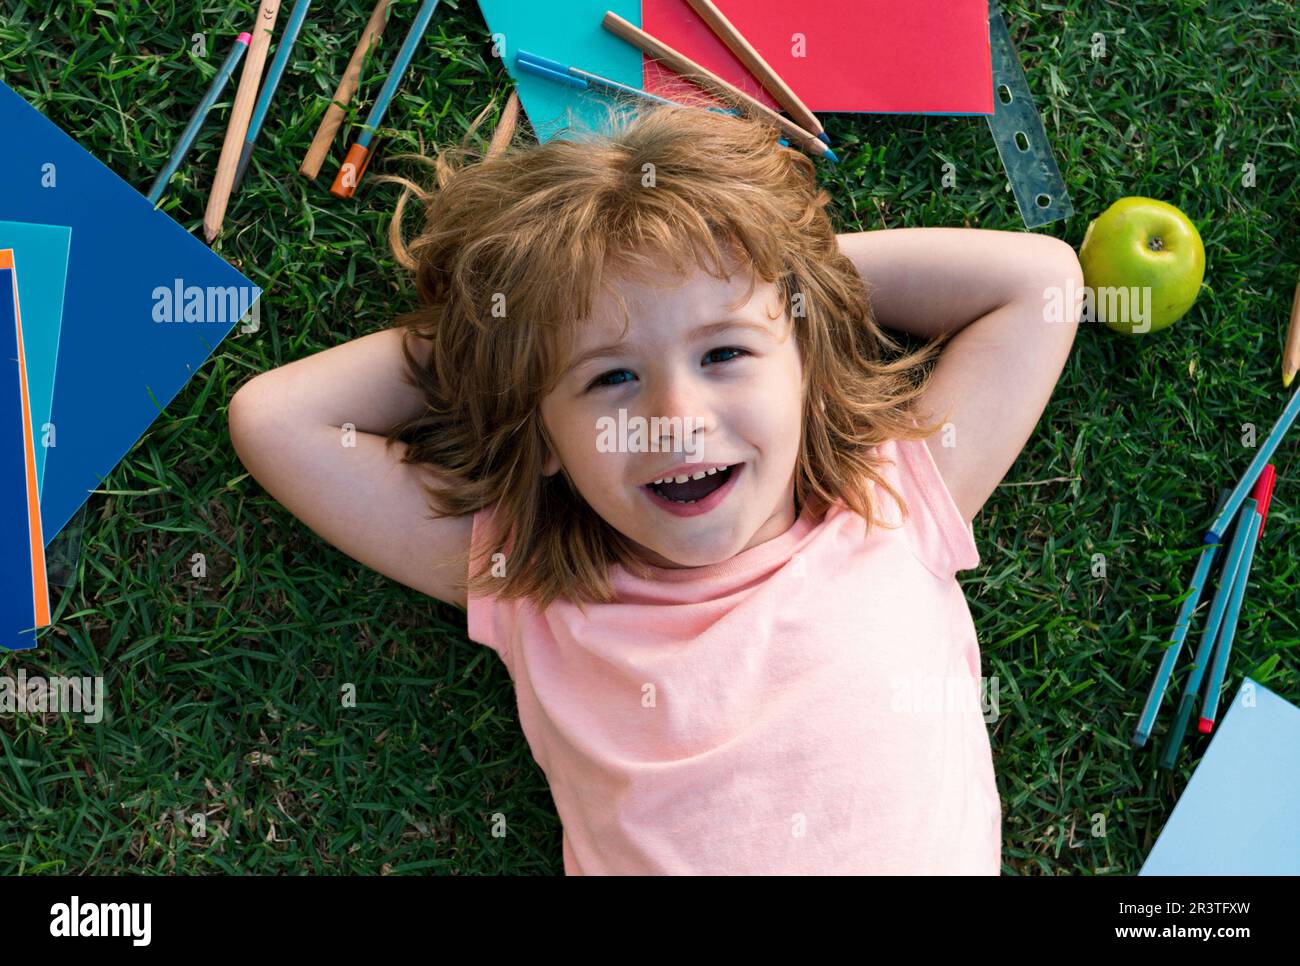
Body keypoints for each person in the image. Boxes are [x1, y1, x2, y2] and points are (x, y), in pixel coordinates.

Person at [228, 100, 1083, 874]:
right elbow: (278, 420)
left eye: (725, 353)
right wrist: (513, 329)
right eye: (608, 380)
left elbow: (1040, 285)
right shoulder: (535, 587)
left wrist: (773, 268)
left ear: (807, 369)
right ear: (546, 438)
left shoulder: (888, 505)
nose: (673, 417)